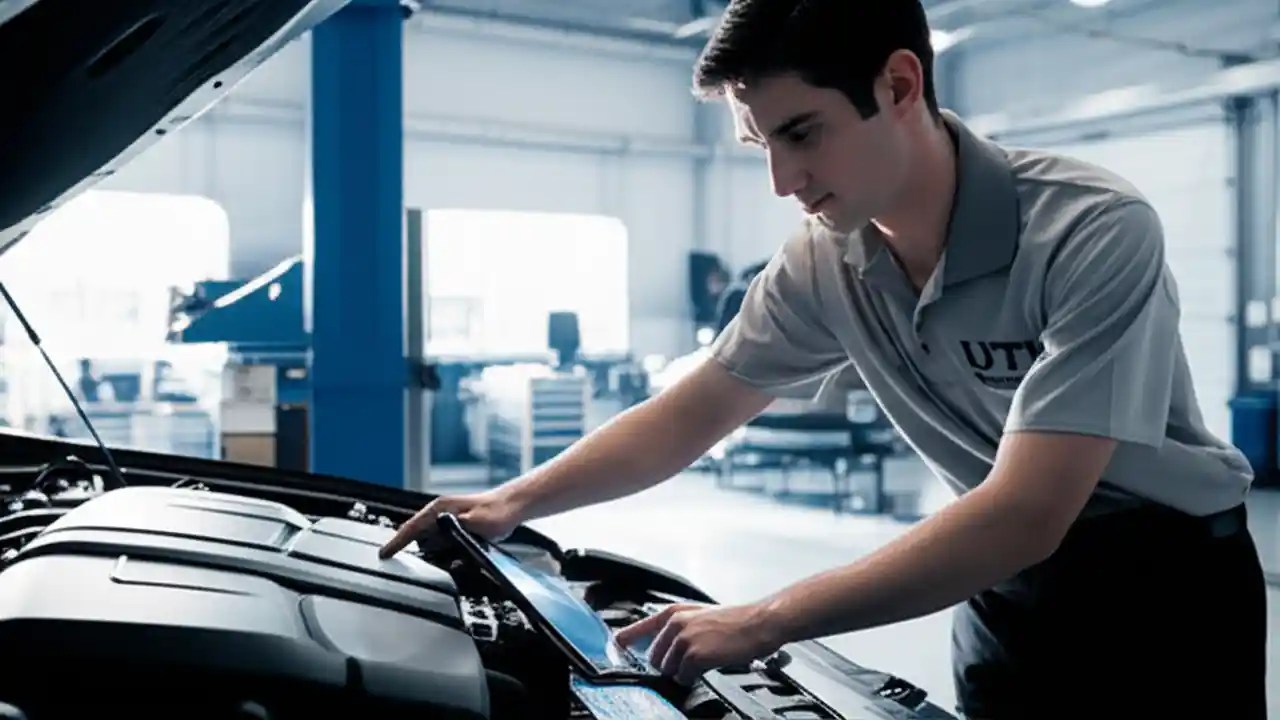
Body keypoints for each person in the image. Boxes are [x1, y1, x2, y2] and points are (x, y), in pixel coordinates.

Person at [380, 1, 1268, 717]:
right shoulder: (825, 258)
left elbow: (1030, 512)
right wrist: (515, 499)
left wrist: (763, 621)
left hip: (1162, 593)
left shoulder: (1089, 228)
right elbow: (696, 409)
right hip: (998, 593)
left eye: (802, 134)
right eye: (761, 144)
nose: (781, 180)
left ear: (900, 83)